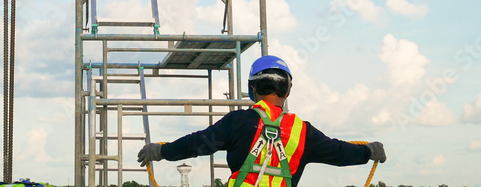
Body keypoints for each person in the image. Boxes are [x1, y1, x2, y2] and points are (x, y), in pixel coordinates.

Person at [137, 55, 387, 186]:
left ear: (252, 89)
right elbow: (340, 153)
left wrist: (161, 151)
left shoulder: (237, 122)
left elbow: (196, 144)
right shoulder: (303, 132)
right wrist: (369, 151)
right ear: (287, 92)